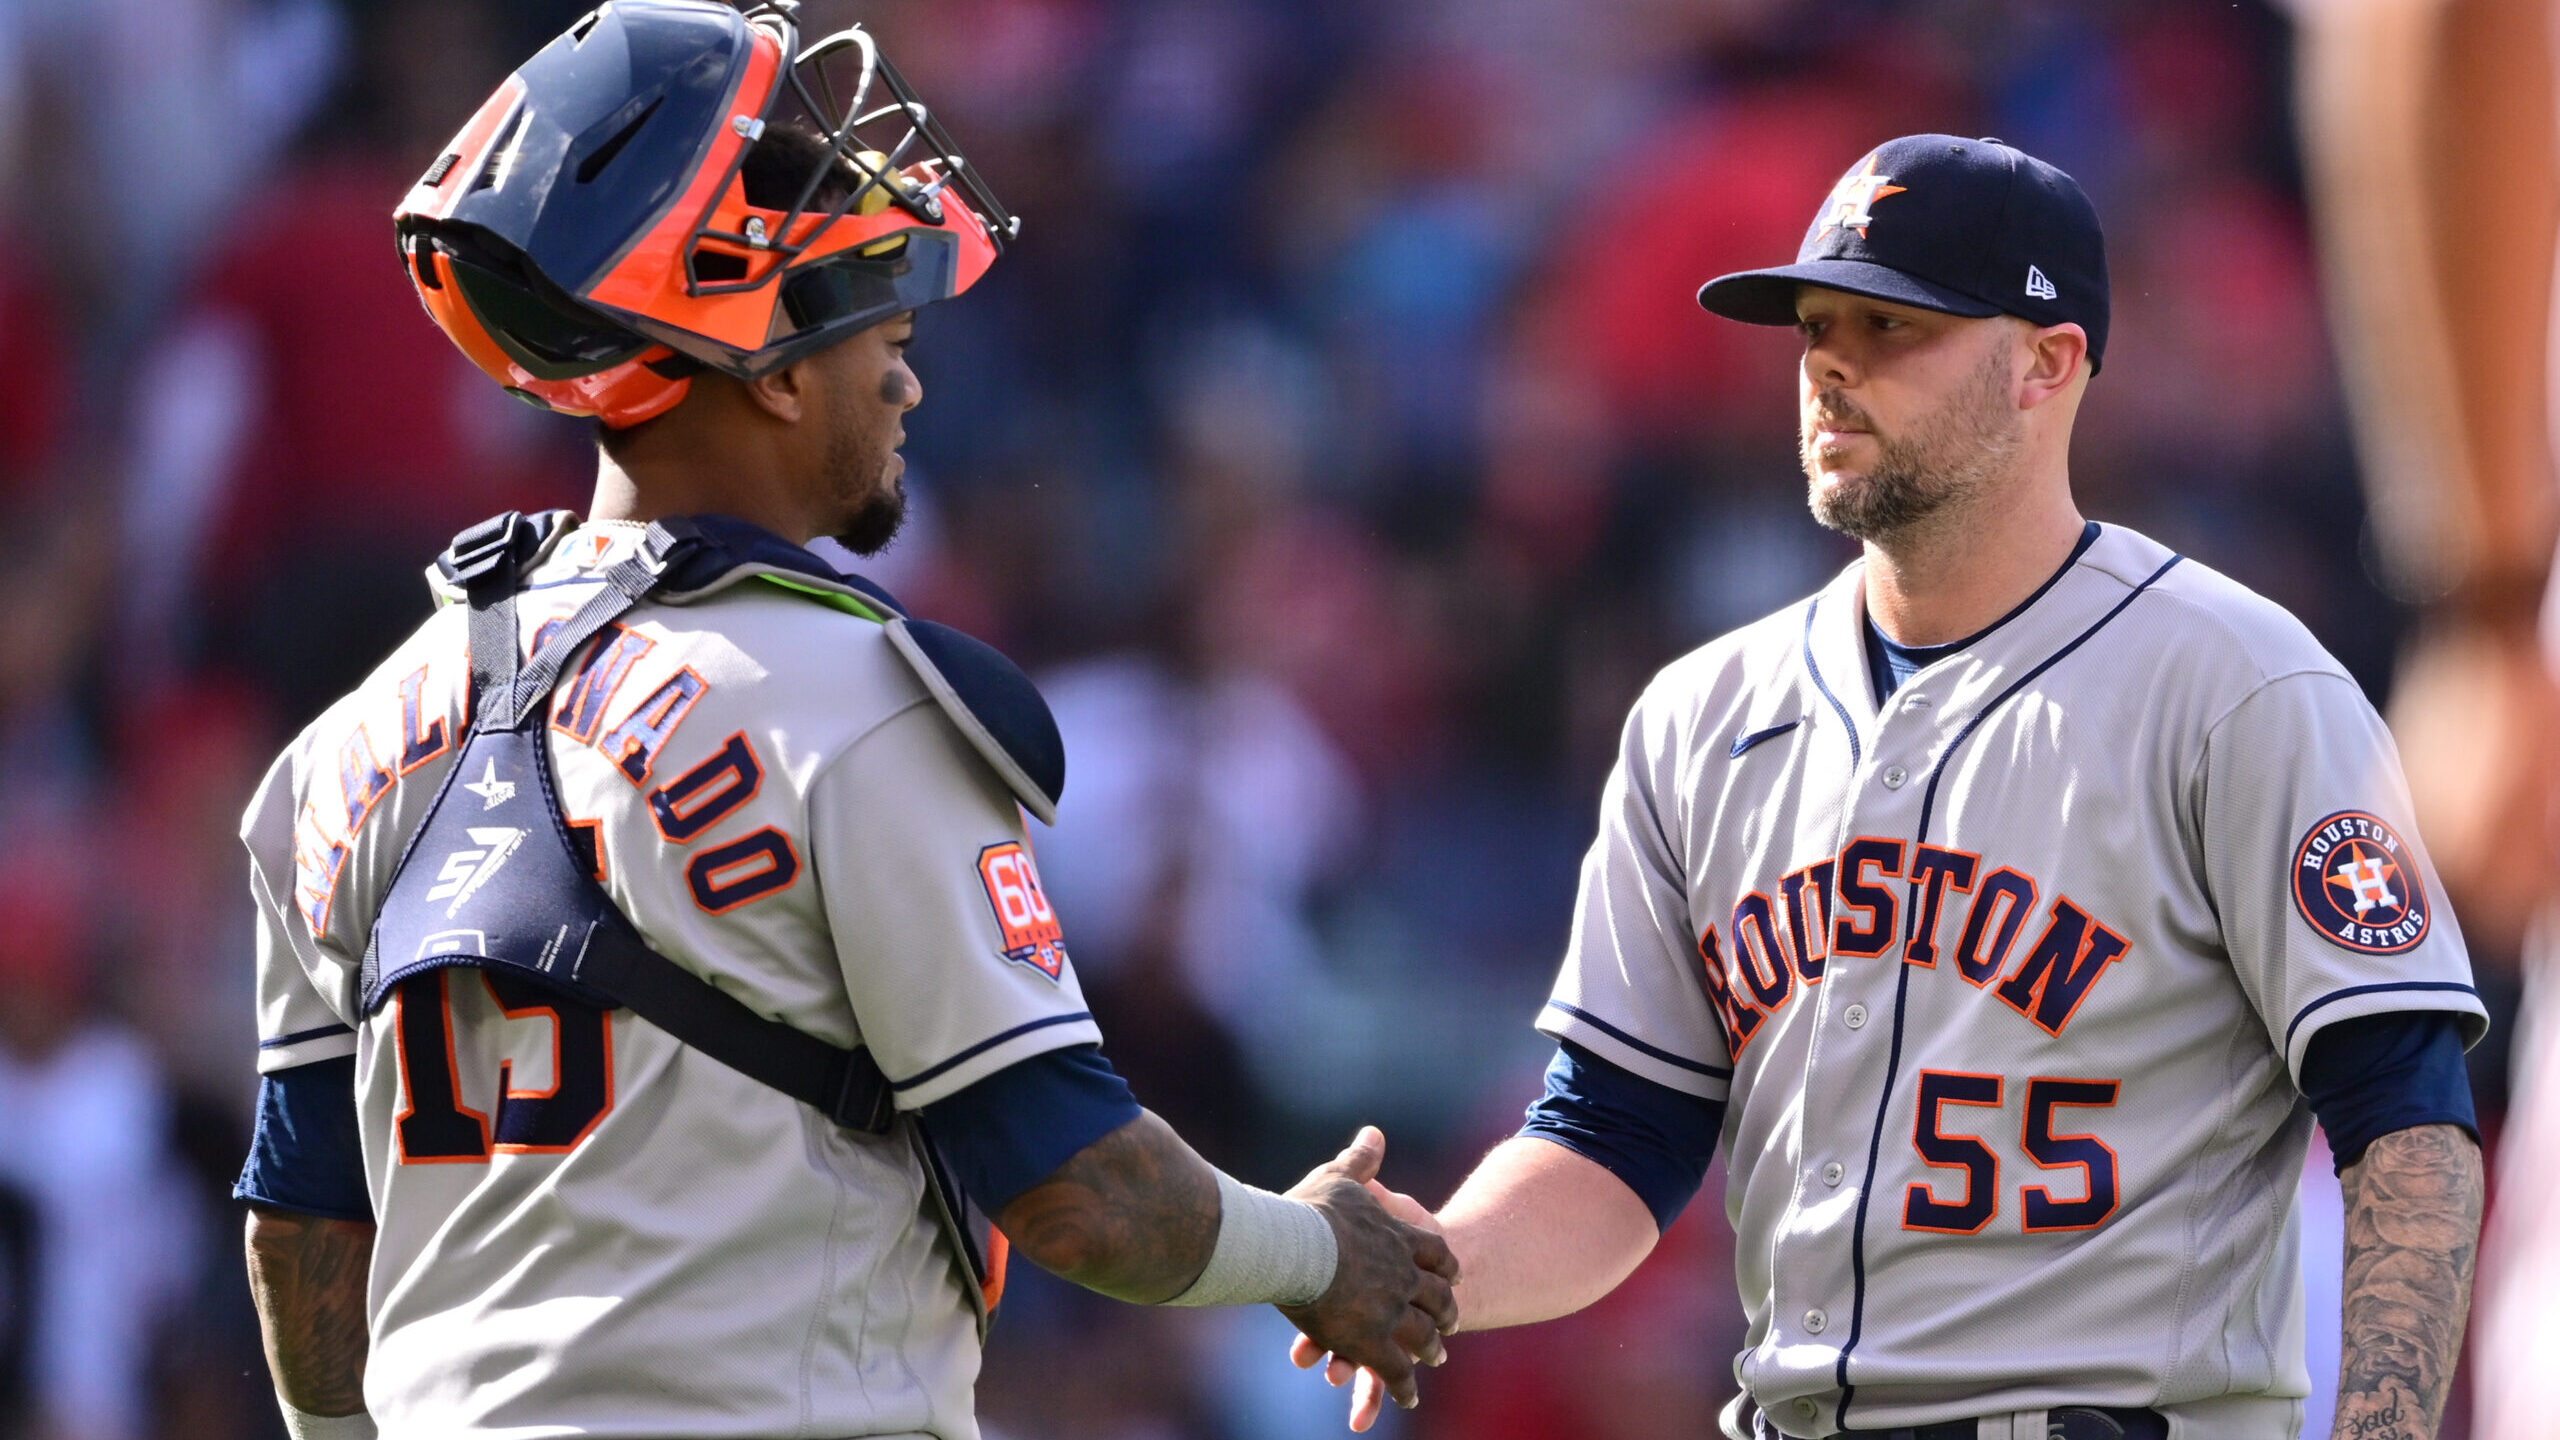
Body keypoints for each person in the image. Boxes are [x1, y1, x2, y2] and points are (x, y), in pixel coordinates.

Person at [229, 5, 1455, 1438]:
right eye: (881, 313)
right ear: (774, 365)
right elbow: (1080, 1186)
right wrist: (1316, 1252)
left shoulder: (334, 755)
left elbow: (303, 1242)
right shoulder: (851, 705)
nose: (911, 375)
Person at [1294, 135, 2488, 1440]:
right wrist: (1431, 1263)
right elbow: (1615, 1137)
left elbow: (2406, 1127)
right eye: (1814, 324)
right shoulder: (1702, 717)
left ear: (2048, 363)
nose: (1831, 366)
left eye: (1892, 326)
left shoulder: (2243, 690)